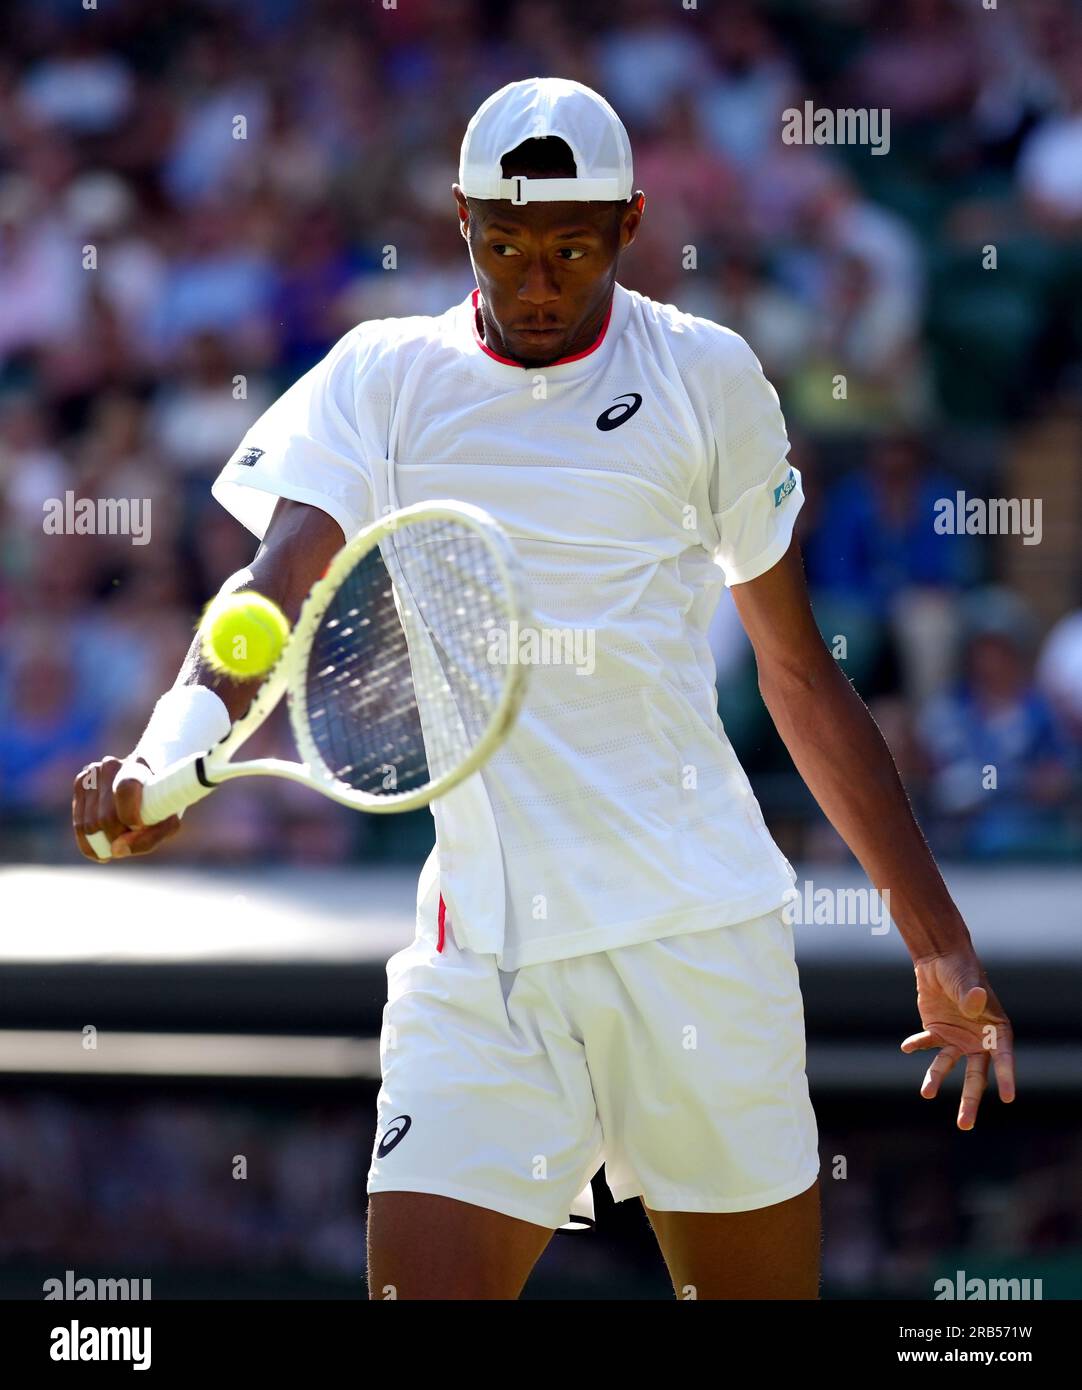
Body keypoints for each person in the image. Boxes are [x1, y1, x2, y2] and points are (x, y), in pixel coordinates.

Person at [72, 77, 1015, 1301]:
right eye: (504, 243)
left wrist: (932, 936)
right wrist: (163, 753)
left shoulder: (705, 375)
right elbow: (268, 594)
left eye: (568, 247)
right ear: (460, 221)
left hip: (695, 945)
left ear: (628, 227)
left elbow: (794, 670)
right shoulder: (379, 377)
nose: (533, 278)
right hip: (482, 971)